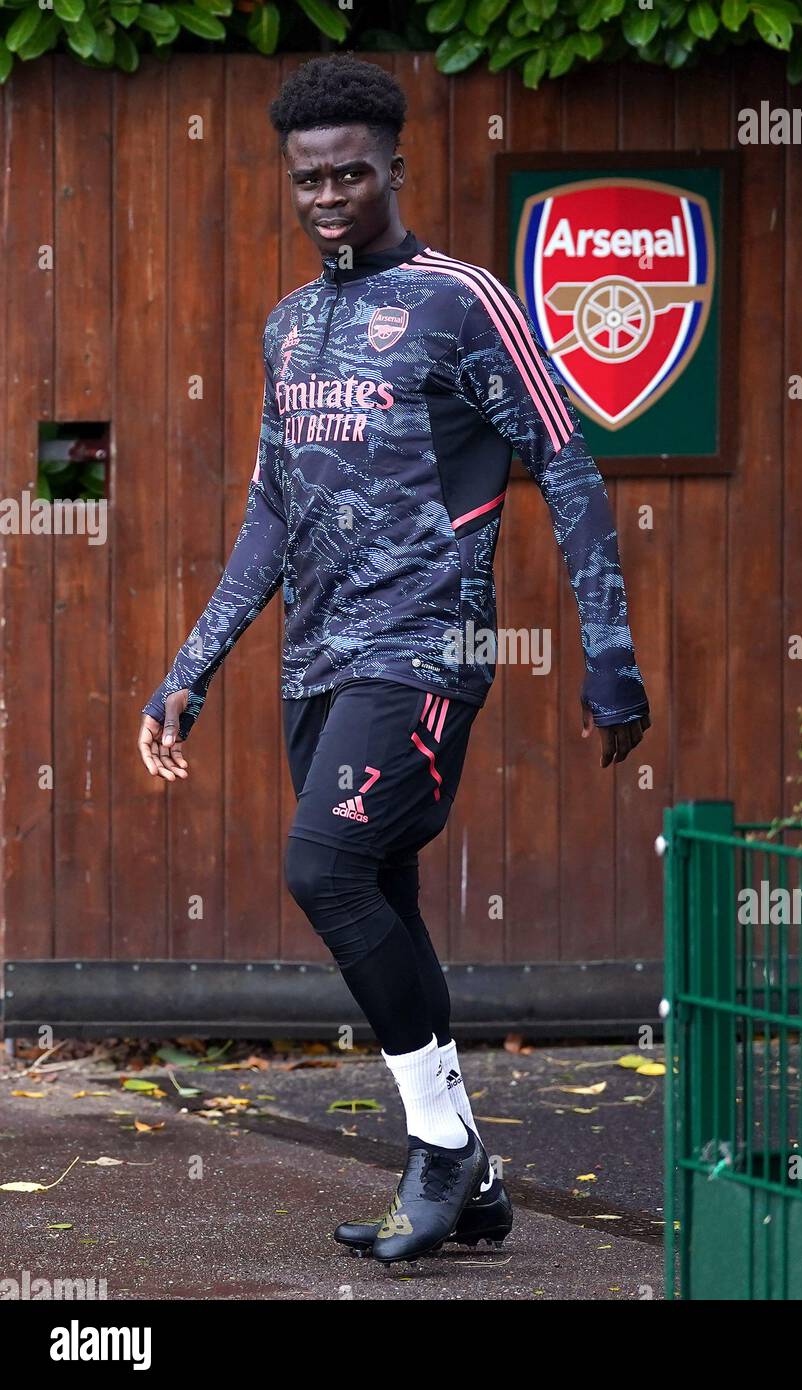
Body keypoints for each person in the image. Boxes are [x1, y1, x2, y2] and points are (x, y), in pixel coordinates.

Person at [136, 54, 651, 1265]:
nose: (329, 195)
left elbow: (566, 466)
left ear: (394, 170)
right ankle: (469, 1180)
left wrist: (611, 653)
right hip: (314, 663)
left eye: (352, 173)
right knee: (382, 893)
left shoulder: (465, 301)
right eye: (310, 176)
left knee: (324, 866)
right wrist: (190, 668)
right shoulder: (288, 325)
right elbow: (270, 510)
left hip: (429, 645)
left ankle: (444, 1151)